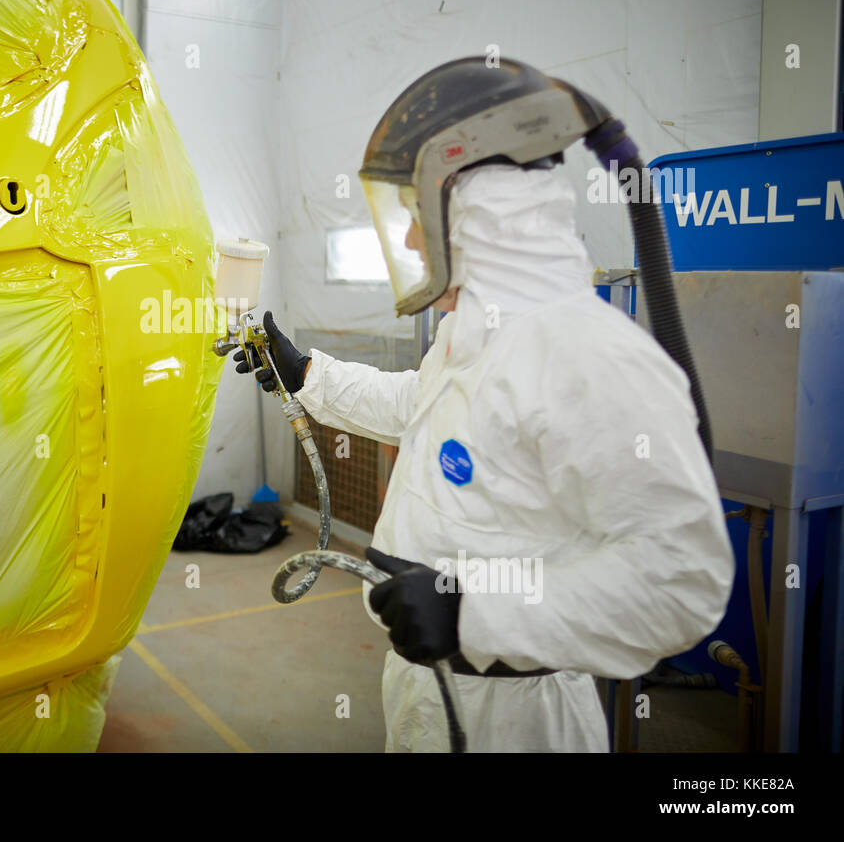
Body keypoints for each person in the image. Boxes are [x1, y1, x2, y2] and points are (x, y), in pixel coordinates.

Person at [236, 58, 734, 752]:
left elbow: (680, 584)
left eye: (417, 217)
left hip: (519, 714)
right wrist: (306, 376)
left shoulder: (589, 356)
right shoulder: (476, 336)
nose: (409, 241)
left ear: (481, 210)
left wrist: (475, 613)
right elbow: (419, 406)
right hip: (427, 687)